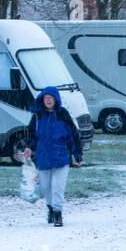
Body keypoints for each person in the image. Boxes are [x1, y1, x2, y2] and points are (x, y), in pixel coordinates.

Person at [21, 85, 83, 226]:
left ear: (56, 100)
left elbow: (73, 136)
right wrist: (29, 147)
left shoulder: (63, 114)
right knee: (46, 188)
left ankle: (58, 214)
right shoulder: (37, 116)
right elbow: (31, 135)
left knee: (58, 187)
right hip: (43, 158)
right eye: (46, 98)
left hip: (61, 157)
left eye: (51, 98)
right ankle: (50, 208)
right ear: (42, 100)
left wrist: (77, 155)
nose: (48, 100)